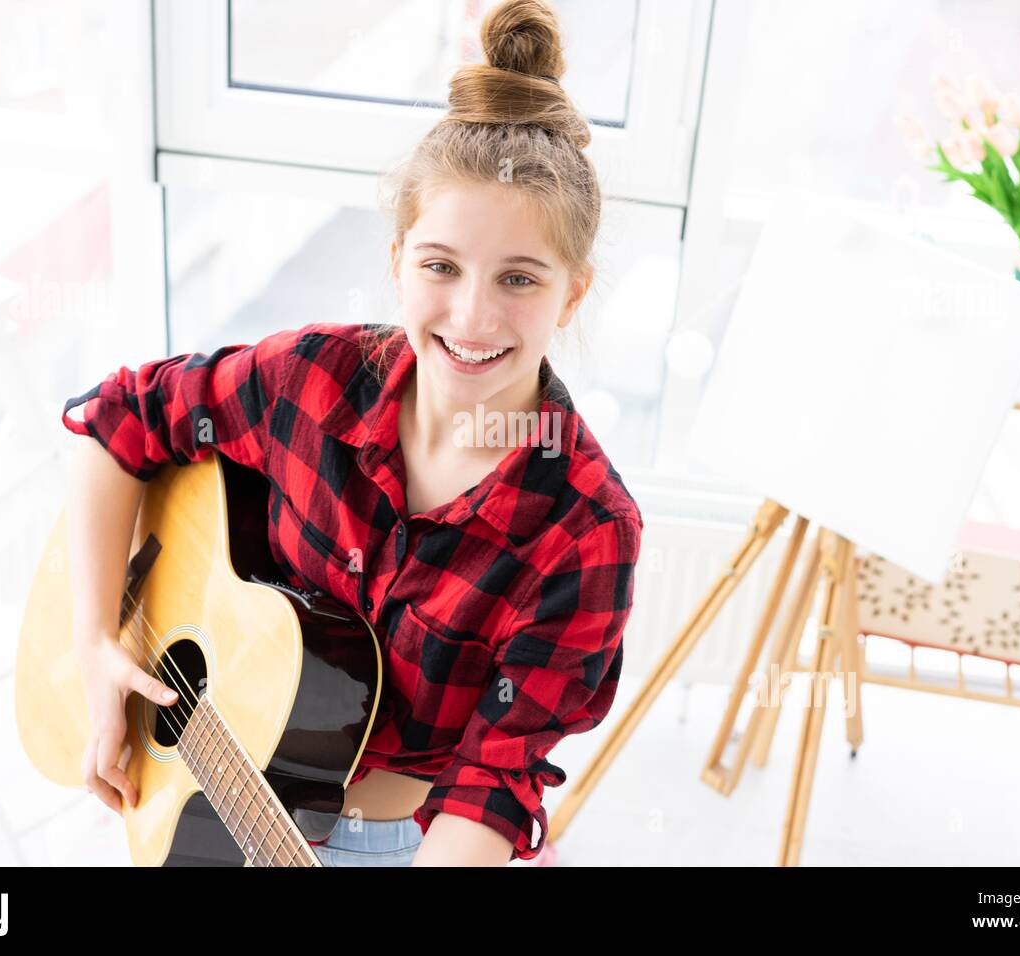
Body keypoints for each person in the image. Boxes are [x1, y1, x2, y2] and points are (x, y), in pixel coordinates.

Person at [61, 0, 642, 867]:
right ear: (399, 257)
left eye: (519, 278)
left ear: (575, 293)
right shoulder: (311, 379)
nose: (473, 316)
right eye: (441, 266)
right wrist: (99, 648)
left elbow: (494, 779)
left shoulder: (586, 531)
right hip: (206, 778)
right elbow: (118, 420)